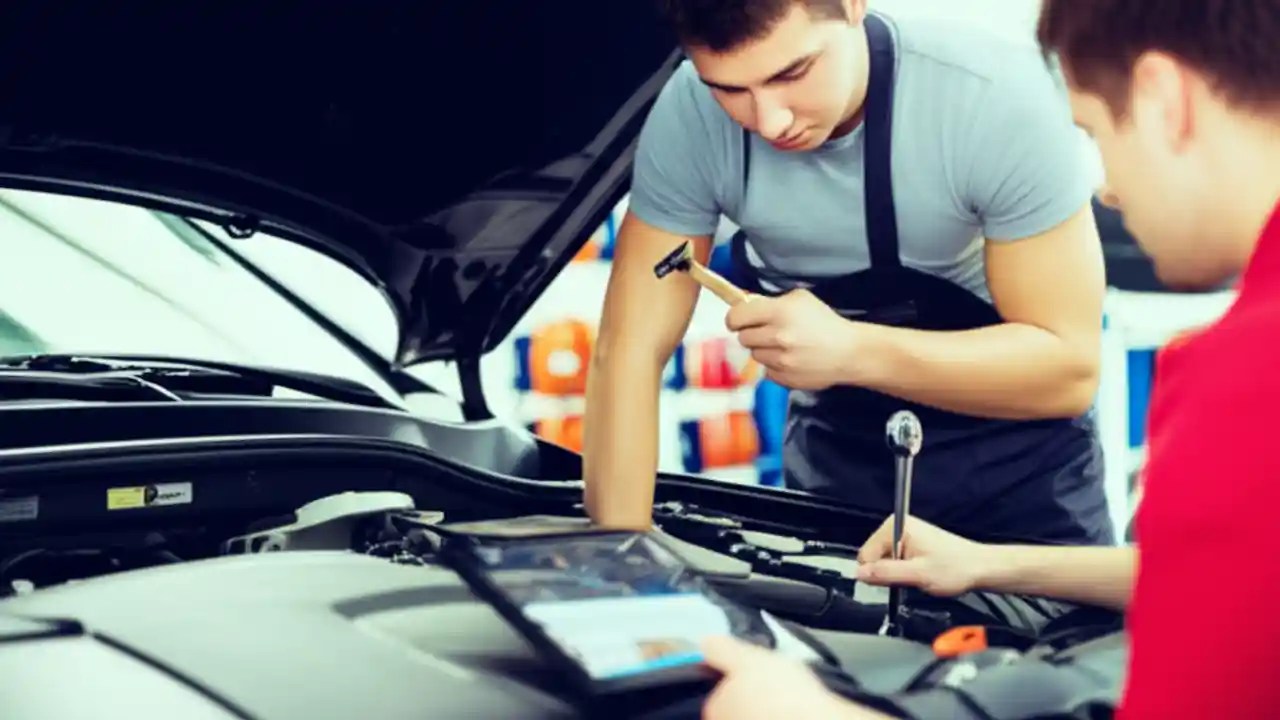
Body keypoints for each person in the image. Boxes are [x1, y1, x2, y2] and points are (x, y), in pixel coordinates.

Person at [700, 0, 1280, 717]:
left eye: (1095, 133)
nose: (1109, 188)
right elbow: (1235, 580)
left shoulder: (1249, 379)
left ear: (1165, 99)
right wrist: (985, 563)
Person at [582, 0, 1115, 547]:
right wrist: (619, 564)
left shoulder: (991, 100)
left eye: (792, 73)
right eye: (729, 89)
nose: (770, 121)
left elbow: (1067, 372)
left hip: (1024, 486)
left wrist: (852, 352)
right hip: (841, 475)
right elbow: (627, 352)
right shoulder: (689, 117)